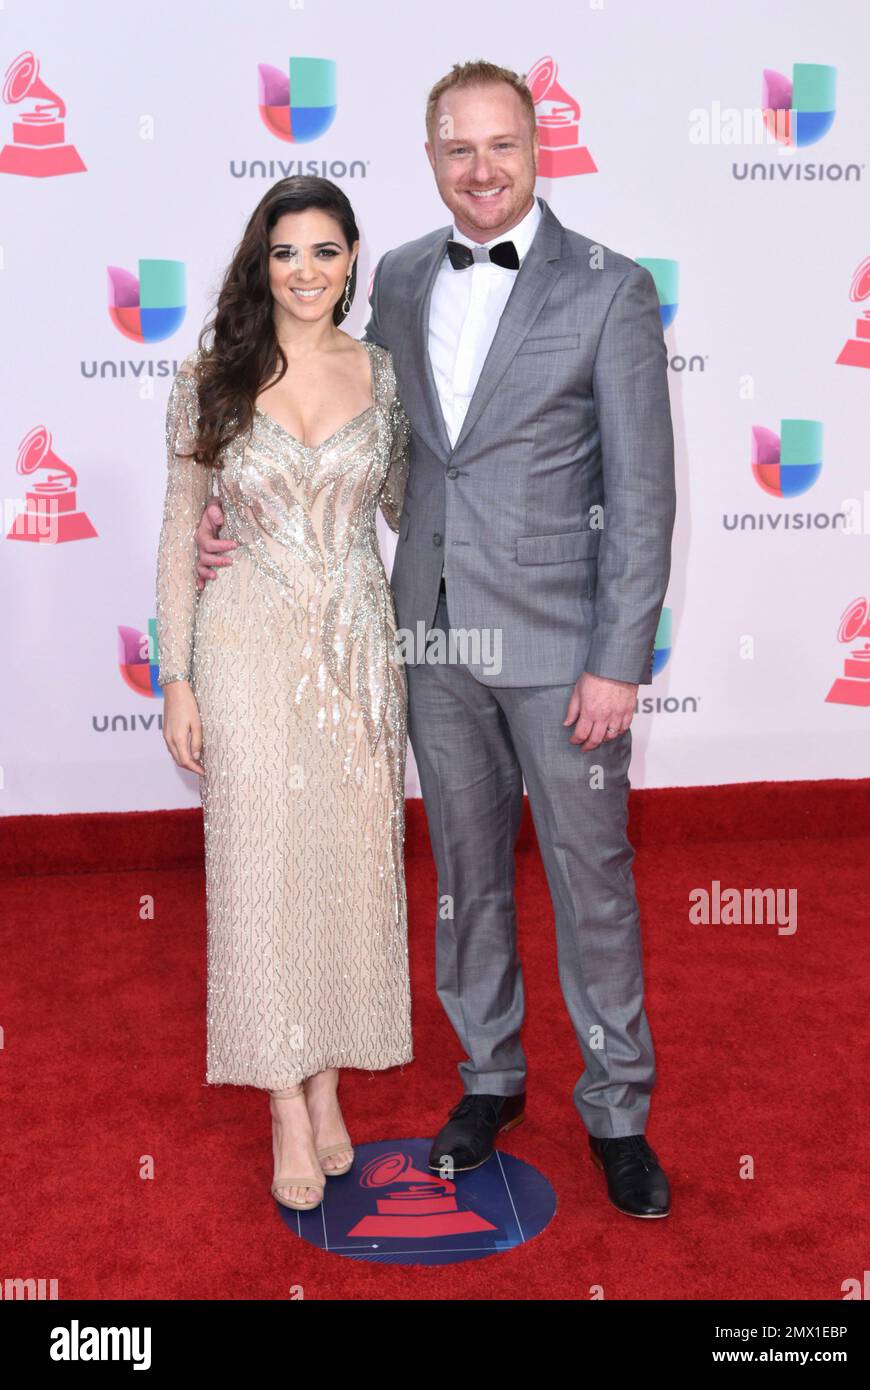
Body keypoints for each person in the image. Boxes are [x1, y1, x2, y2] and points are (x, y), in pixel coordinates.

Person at [195, 61, 676, 1218]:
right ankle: (490, 1080)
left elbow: (646, 492)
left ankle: (616, 1108)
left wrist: (621, 656)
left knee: (591, 879)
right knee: (464, 879)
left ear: (536, 146)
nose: (481, 169)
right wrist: (234, 519)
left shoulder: (611, 289)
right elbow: (345, 434)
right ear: (430, 157)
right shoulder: (400, 277)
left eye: (501, 145)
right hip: (424, 639)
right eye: (458, 149)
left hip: (566, 647)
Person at [155, 176, 413, 1214]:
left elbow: (408, 504)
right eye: (285, 253)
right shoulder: (212, 375)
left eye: (324, 251)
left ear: (353, 259)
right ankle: (282, 1102)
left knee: (346, 865)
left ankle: (326, 1074)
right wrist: (176, 674)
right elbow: (181, 532)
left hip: (357, 648)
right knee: (261, 867)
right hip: (247, 644)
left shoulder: (387, 377)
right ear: (260, 264)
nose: (305, 272)